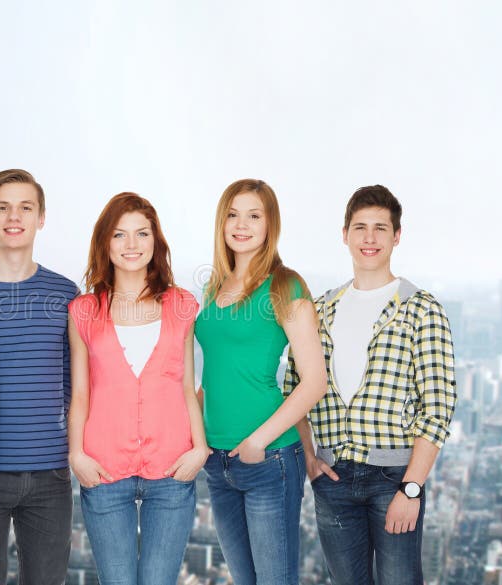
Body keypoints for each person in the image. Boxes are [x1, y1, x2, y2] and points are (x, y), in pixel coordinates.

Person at [285, 185, 457, 585]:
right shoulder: (321, 308)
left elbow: (438, 405)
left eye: (381, 228)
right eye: (360, 227)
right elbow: (294, 389)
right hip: (333, 479)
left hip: (393, 479)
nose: (369, 238)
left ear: (397, 236)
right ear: (344, 234)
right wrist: (309, 457)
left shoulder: (421, 309)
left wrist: (411, 489)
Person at [67, 192, 209, 585]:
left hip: (172, 466)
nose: (131, 245)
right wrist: (76, 454)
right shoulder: (84, 310)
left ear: (155, 241)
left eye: (141, 234)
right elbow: (81, 392)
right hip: (103, 468)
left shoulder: (182, 305)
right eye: (119, 235)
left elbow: (186, 384)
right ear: (105, 244)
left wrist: (200, 448)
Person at [194, 178, 327, 585]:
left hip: (268, 460)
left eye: (254, 216)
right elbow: (212, 377)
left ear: (271, 225)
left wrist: (257, 442)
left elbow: (315, 381)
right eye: (233, 215)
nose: (241, 224)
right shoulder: (212, 287)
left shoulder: (286, 285)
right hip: (218, 463)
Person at [0, 169, 78, 585]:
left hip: (51, 475)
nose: (13, 216)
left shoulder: (64, 293)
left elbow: (73, 383)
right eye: (2, 207)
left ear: (41, 217)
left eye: (25, 207)